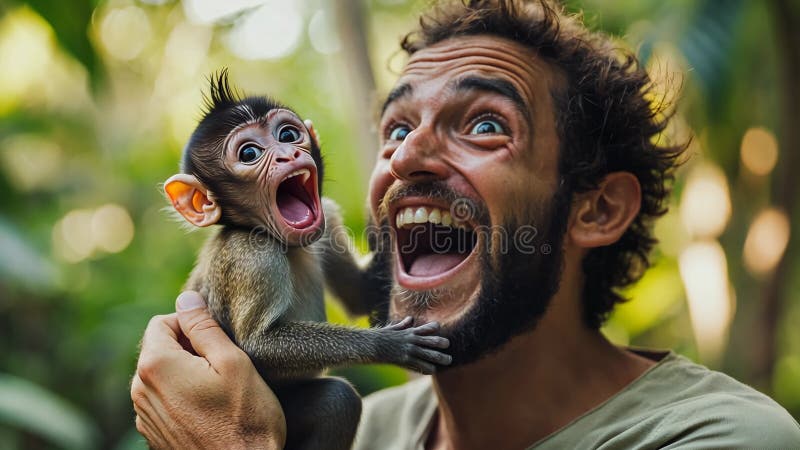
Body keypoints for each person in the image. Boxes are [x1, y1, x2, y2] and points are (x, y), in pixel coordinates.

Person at [131, 1, 800, 448]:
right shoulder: (367, 433)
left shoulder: (716, 437)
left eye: (484, 125)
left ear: (595, 208)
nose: (407, 156)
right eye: (396, 128)